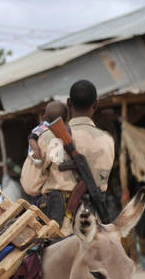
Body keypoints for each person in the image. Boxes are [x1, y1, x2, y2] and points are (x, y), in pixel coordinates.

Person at [21, 79, 116, 224]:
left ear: (69, 103)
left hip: (57, 226)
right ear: (96, 104)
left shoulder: (48, 137)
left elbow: (29, 186)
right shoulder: (108, 140)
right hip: (92, 225)